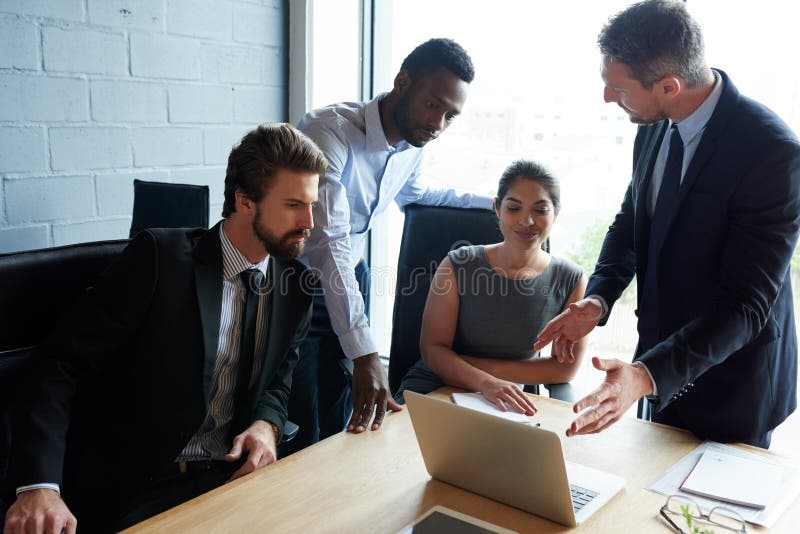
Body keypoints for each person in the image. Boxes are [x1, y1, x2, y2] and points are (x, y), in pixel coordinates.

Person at [2, 123, 328, 533]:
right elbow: (58, 366)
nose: (310, 221)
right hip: (139, 489)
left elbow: (278, 382)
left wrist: (267, 424)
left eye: (313, 204)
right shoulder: (159, 260)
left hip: (229, 480)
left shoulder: (296, 285)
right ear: (245, 201)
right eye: (295, 204)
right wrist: (38, 485)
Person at [535, 0, 800, 448]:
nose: (607, 98)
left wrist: (644, 375)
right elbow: (632, 223)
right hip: (657, 372)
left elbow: (746, 305)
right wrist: (598, 300)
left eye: (619, 90)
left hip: (734, 384)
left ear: (668, 86)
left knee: (705, 517)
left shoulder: (772, 153)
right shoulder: (653, 122)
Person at [287, 37, 492, 454]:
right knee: (301, 426)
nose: (438, 124)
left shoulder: (412, 144)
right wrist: (366, 354)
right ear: (403, 82)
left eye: (451, 115)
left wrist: (497, 203)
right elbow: (329, 240)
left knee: (343, 417)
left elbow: (417, 193)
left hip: (351, 279)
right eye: (433, 104)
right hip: (298, 286)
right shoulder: (329, 130)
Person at [395, 160, 587, 412]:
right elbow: (432, 350)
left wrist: (484, 376)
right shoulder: (458, 263)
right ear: (497, 208)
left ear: (556, 214)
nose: (526, 220)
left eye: (540, 210)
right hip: (435, 385)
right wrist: (486, 381)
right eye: (513, 208)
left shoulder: (571, 278)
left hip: (505, 399)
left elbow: (565, 368)